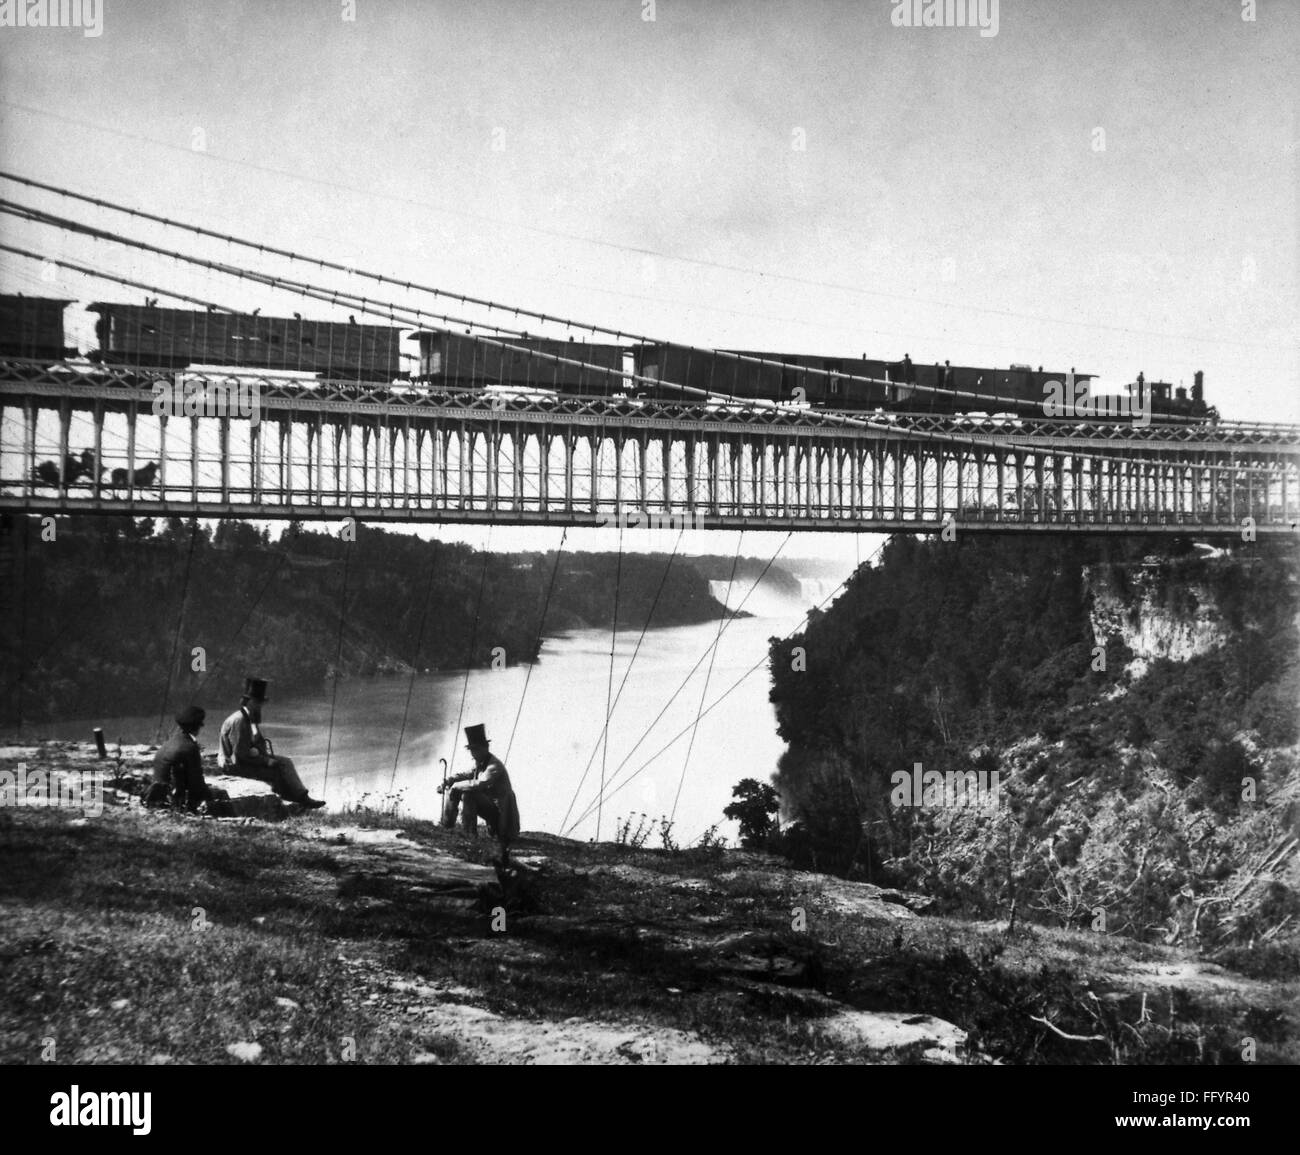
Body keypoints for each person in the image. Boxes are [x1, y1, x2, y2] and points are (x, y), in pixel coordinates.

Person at [218, 677, 326, 809]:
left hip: (245, 760)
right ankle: (288, 803)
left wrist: (264, 755)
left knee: (285, 762)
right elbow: (240, 755)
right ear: (250, 702)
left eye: (261, 703)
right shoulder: (239, 721)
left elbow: (254, 743)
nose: (261, 706)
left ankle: (301, 797)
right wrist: (266, 761)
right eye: (258, 703)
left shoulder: (249, 718)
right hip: (234, 766)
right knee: (275, 772)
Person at [439, 723, 520, 858]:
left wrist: (456, 786)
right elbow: (467, 775)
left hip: (502, 815)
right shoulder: (481, 762)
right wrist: (450, 780)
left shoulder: (494, 766)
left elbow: (480, 784)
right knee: (461, 789)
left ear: (485, 748)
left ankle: (469, 834)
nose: (473, 753)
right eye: (471, 750)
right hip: (492, 810)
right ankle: (447, 826)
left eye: (475, 749)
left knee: (468, 794)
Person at [145, 705, 230, 814]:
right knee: (221, 795)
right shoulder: (190, 747)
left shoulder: (167, 744)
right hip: (177, 800)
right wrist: (209, 794)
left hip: (157, 796)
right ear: (197, 727)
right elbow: (196, 783)